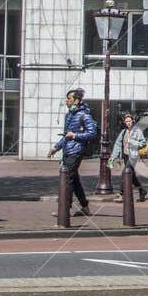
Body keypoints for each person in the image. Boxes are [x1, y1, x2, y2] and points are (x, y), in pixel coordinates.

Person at [50, 88, 97, 216]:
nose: (66, 101)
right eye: (66, 98)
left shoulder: (84, 115)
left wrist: (75, 136)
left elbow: (92, 133)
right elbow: (66, 135)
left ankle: (64, 209)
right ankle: (85, 207)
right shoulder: (69, 115)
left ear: (76, 100)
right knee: (74, 180)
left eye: (69, 99)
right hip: (67, 150)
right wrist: (56, 147)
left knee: (67, 178)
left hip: (76, 150)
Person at [110, 112, 148, 201]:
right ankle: (141, 190)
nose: (128, 123)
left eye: (129, 121)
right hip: (125, 156)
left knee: (125, 173)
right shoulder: (123, 132)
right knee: (132, 176)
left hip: (133, 156)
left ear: (133, 121)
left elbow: (143, 143)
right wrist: (113, 157)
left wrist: (132, 142)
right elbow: (118, 144)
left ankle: (122, 194)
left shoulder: (137, 131)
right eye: (126, 121)